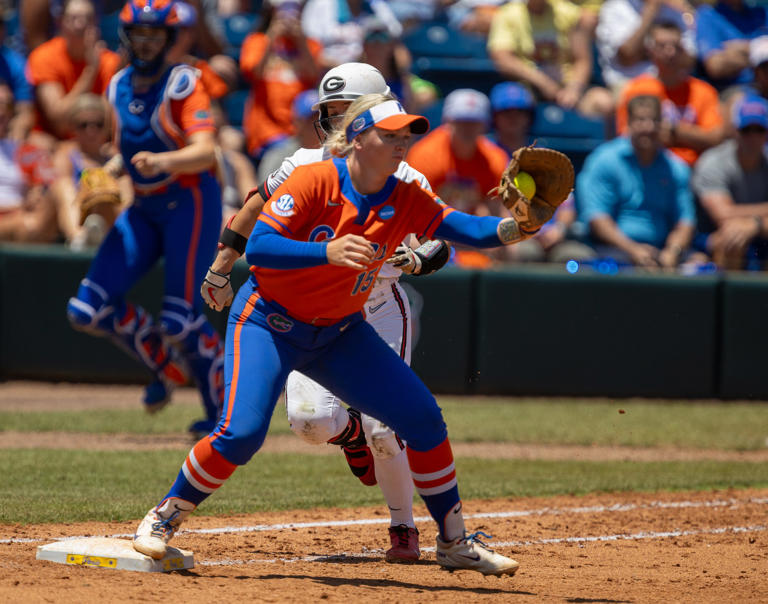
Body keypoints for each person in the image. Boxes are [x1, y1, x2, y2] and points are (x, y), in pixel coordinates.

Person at [133, 92, 544, 576]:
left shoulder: (405, 195)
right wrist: (325, 254)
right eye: (388, 136)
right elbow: (261, 247)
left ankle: (454, 543)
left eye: (406, 136)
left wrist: (521, 226)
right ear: (355, 140)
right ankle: (164, 516)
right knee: (241, 434)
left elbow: (464, 229)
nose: (401, 144)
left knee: (424, 421)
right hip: (270, 320)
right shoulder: (315, 180)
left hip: (339, 332)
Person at [202, 62, 450, 562]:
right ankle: (351, 433)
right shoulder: (302, 164)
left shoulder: (405, 174)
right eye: (332, 115)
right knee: (310, 422)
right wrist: (220, 266)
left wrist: (418, 256)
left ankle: (404, 526)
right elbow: (253, 208)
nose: (339, 126)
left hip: (376, 305)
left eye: (348, 114)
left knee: (389, 427)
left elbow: (441, 239)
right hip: (309, 310)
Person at [66, 0, 225, 438]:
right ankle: (165, 364)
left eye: (156, 34)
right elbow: (126, 148)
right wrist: (113, 170)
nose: (148, 42)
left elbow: (205, 150)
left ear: (169, 38)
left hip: (190, 202)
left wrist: (164, 161)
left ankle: (220, 413)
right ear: (127, 35)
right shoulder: (117, 84)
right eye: (140, 33)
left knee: (181, 319)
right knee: (86, 309)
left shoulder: (183, 82)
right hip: (144, 206)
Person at [577, 94, 696, 269]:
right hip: (612, 250)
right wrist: (633, 250)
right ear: (629, 123)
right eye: (641, 120)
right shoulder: (605, 160)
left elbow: (685, 221)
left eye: (654, 120)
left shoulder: (676, 168)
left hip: (662, 251)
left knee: (700, 263)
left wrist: (673, 251)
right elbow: (597, 219)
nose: (648, 127)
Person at [406, 88, 509, 267]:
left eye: (474, 122)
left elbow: (496, 210)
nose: (467, 128)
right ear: (448, 121)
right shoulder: (425, 155)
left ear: (484, 125)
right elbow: (413, 214)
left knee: (511, 248)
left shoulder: (494, 158)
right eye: (461, 121)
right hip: (430, 235)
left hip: (471, 235)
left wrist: (498, 243)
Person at [616, 21, 726, 167]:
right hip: (650, 168)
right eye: (662, 46)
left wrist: (675, 131)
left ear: (684, 51)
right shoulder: (638, 89)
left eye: (676, 47)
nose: (670, 52)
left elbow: (715, 138)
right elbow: (626, 135)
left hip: (696, 169)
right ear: (651, 51)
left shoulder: (703, 91)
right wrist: (692, 136)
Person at [488, 0, 613, 118]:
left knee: (603, 102)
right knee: (513, 104)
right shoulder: (508, 14)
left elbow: (582, 60)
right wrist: (543, 83)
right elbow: (503, 59)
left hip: (567, 86)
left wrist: (573, 90)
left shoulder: (570, 13)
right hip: (527, 87)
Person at [25, 0, 122, 145]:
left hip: (95, 144)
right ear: (60, 22)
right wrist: (90, 70)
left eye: (87, 19)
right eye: (73, 18)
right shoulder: (44, 56)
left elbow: (107, 122)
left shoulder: (111, 61)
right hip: (55, 144)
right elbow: (59, 123)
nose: (80, 25)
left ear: (96, 22)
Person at [239, 0, 323, 162]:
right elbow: (253, 73)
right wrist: (272, 38)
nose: (288, 14)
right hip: (266, 132)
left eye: (294, 8)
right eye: (283, 8)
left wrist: (300, 41)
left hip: (301, 131)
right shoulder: (257, 41)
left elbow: (313, 75)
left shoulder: (311, 44)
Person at [691, 94, 768, 270]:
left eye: (759, 130)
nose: (753, 137)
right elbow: (723, 215)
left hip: (759, 231)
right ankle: (731, 297)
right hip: (711, 236)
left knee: (738, 230)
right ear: (735, 131)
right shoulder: (714, 162)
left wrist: (756, 225)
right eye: (746, 130)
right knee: (732, 235)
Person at [51, 93, 130, 249]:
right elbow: (60, 189)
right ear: (74, 127)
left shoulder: (114, 157)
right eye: (84, 125)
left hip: (108, 216)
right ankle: (78, 238)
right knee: (61, 186)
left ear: (106, 127)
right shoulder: (66, 153)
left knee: (123, 183)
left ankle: (128, 236)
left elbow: (126, 197)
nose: (91, 130)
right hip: (77, 214)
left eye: (98, 124)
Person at [596, 0, 696, 94]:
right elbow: (626, 57)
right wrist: (651, 10)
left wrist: (669, 47)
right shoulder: (615, 8)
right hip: (628, 85)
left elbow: (690, 60)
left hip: (673, 83)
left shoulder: (675, 9)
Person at [0, 83, 58, 243]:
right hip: (17, 218)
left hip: (22, 219)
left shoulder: (26, 151)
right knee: (25, 224)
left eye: (7, 105)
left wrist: (38, 194)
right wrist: (18, 209)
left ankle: (81, 237)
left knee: (59, 191)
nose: (2, 110)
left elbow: (45, 187)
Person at [696, 0, 768, 91]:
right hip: (737, 89)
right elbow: (716, 66)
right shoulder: (707, 16)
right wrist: (762, 50)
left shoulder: (762, 13)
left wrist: (751, 48)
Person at [256, 89, 321, 182]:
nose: (318, 124)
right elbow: (266, 193)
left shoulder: (335, 151)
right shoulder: (279, 155)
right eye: (311, 120)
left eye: (320, 118)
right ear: (297, 123)